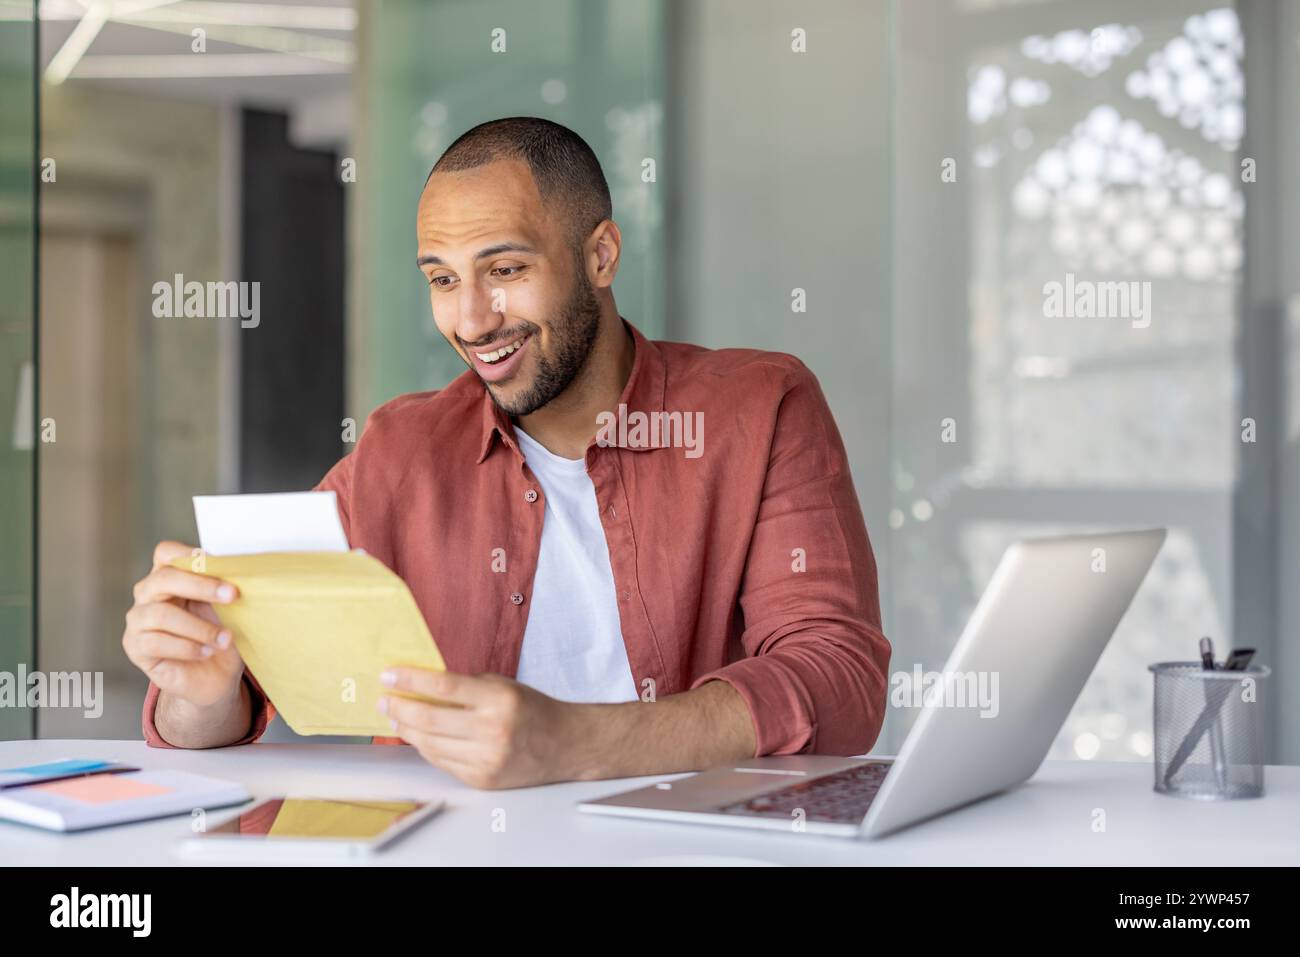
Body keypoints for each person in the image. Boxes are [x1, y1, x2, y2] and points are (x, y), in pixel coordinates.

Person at [123, 117, 890, 789]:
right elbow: (231, 708)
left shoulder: (759, 408)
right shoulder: (397, 449)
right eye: (442, 279)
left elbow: (838, 677)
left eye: (506, 270)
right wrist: (202, 688)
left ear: (601, 255)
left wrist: (574, 742)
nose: (471, 319)